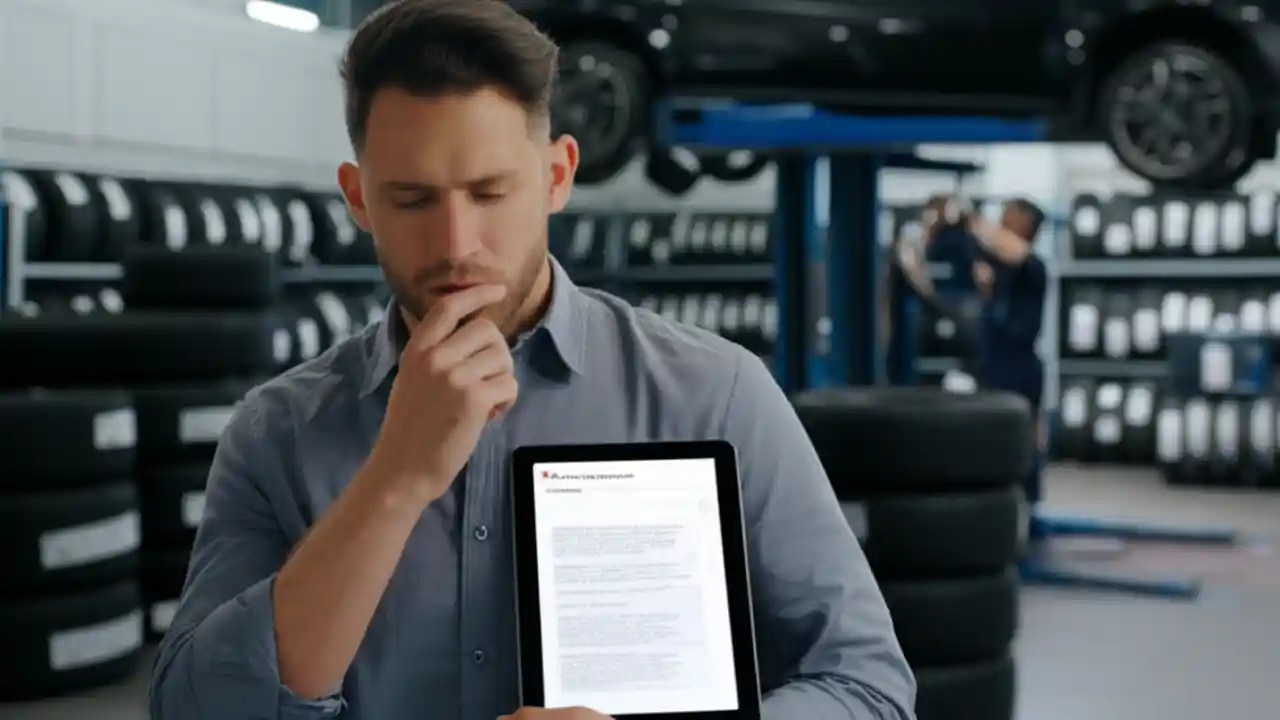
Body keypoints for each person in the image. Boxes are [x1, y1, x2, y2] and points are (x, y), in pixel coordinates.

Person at [148, 2, 915, 719]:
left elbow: (866, 686)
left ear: (556, 176)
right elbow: (197, 710)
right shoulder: (278, 434)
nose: (456, 244)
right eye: (412, 200)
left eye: (489, 193)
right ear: (357, 199)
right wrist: (395, 479)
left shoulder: (714, 395)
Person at [968, 198, 1050, 504]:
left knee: (1024, 442)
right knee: (993, 443)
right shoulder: (1000, 266)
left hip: (1019, 367)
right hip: (993, 364)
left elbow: (1010, 249)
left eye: (1009, 215)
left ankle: (1030, 506)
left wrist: (968, 218)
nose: (1002, 219)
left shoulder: (1032, 266)